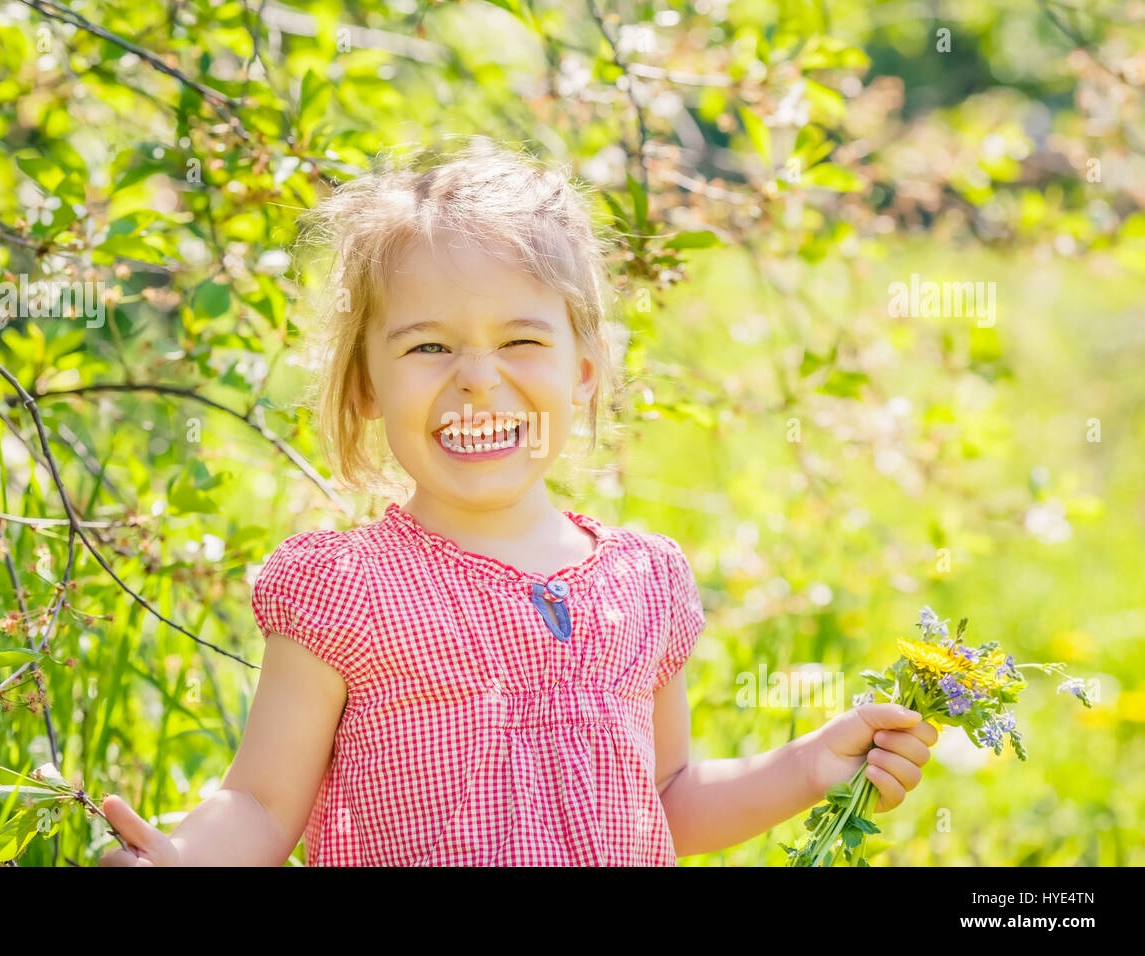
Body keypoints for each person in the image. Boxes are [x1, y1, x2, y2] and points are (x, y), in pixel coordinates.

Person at [98, 140, 937, 866]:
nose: (477, 377)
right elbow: (260, 806)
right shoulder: (344, 592)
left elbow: (666, 799)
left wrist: (809, 765)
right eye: (428, 346)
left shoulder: (644, 583)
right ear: (363, 385)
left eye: (521, 341)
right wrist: (183, 856)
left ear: (582, 369)